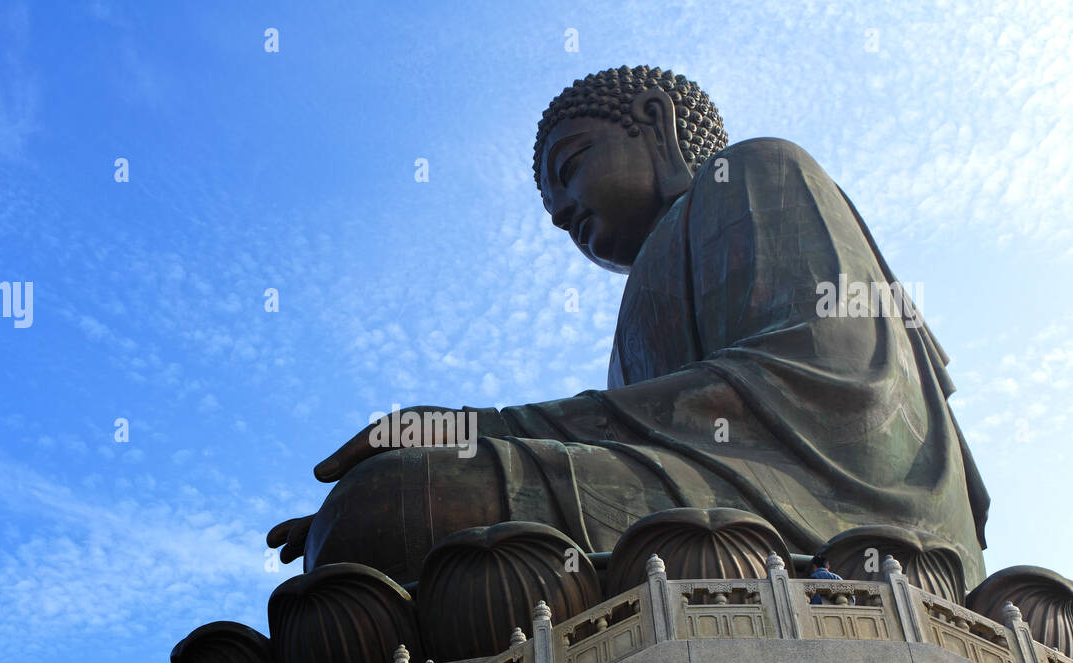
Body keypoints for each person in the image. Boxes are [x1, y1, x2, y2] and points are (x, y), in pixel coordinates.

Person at [268, 65, 989, 590]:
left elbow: (833, 383)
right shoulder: (639, 308)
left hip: (848, 519)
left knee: (383, 505)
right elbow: (654, 447)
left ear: (654, 120)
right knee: (378, 512)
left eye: (571, 166)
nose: (560, 214)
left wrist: (478, 428)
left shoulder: (755, 172)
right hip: (702, 511)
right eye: (551, 209)